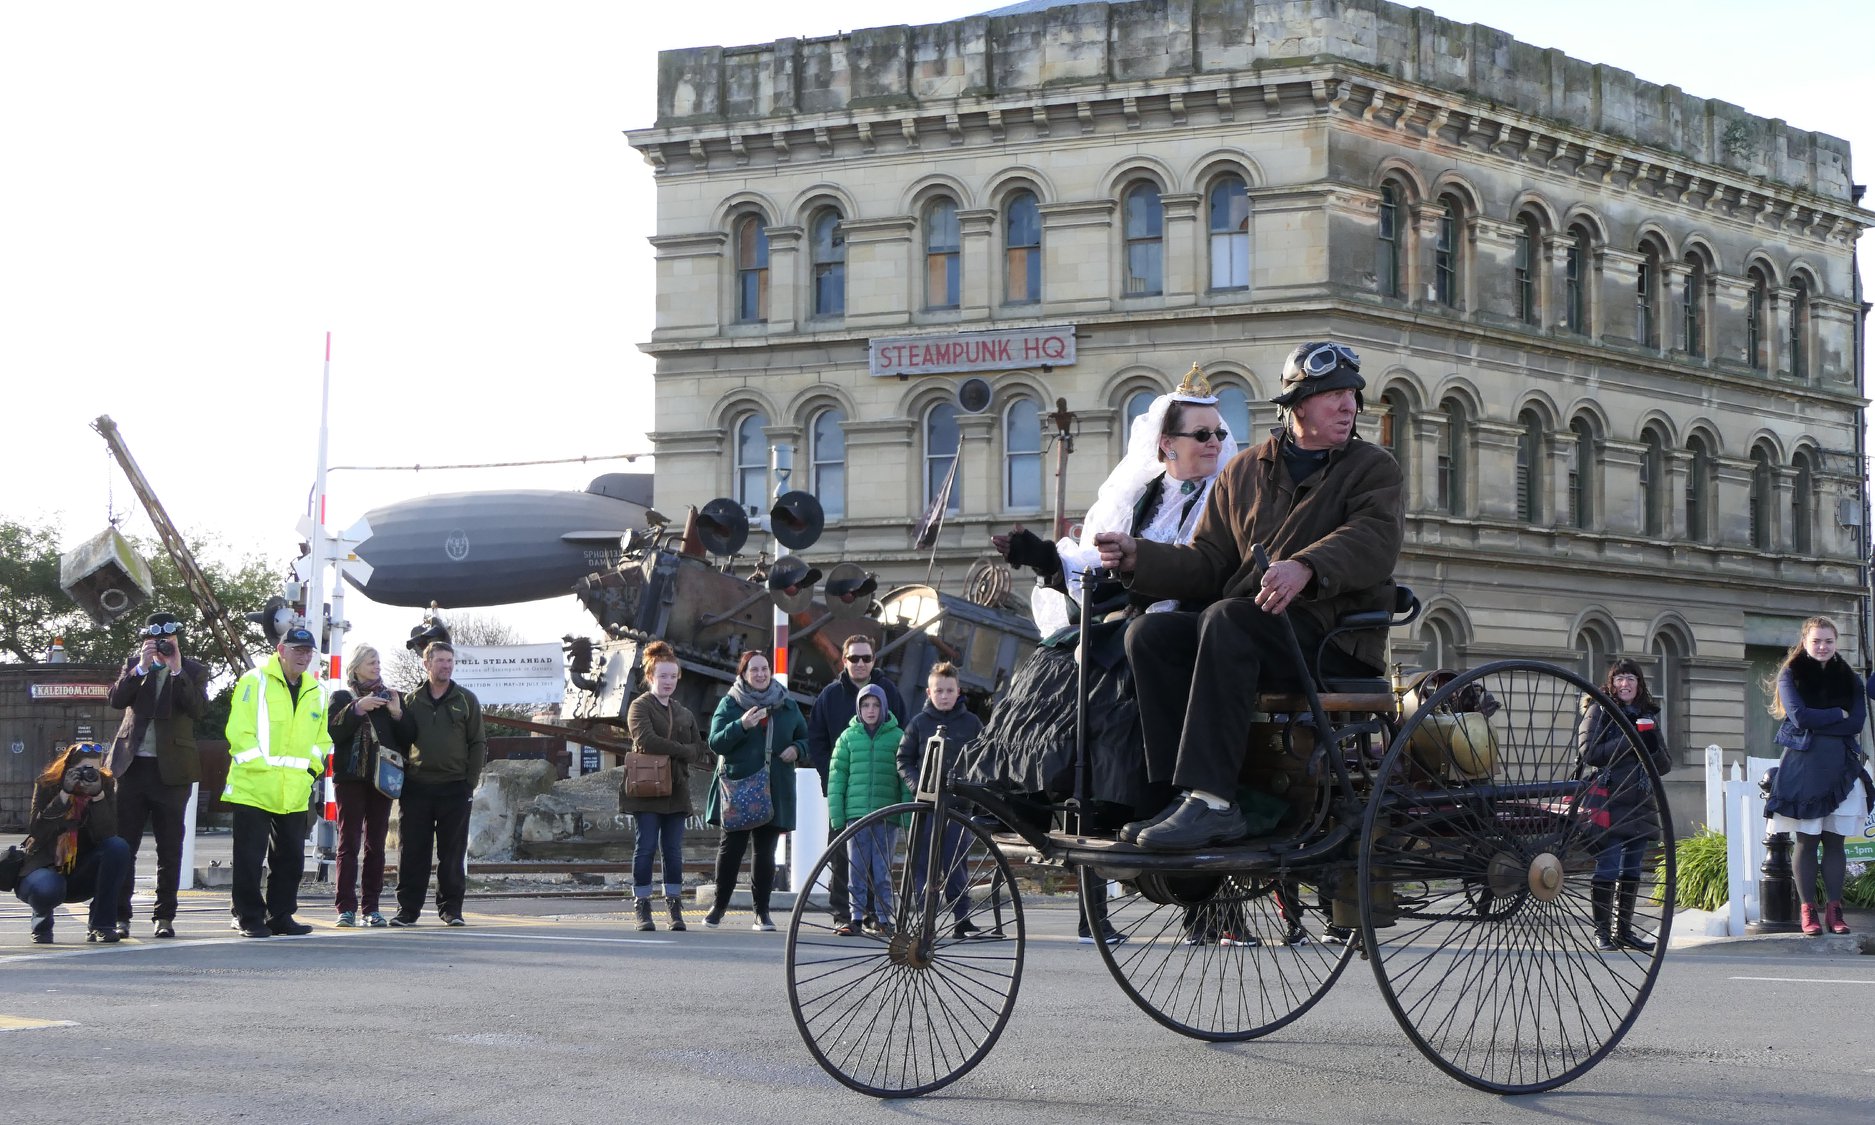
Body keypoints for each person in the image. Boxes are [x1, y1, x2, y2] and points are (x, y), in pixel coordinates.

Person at [1096, 341, 1405, 850]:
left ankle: (1213, 801)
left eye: (1352, 394)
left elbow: (1373, 540)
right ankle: (1177, 794)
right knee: (1150, 633)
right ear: (1297, 404)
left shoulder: (1373, 468)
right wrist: (1140, 556)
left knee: (1226, 619)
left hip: (1328, 636)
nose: (1347, 405)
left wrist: (1306, 567)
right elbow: (1209, 563)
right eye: (1332, 395)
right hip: (1251, 629)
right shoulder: (1245, 471)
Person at [977, 364, 1239, 831]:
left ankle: (1108, 799)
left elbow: (1210, 567)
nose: (1215, 443)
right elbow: (1101, 569)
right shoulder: (1147, 496)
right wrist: (1045, 559)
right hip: (1132, 610)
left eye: (1218, 432)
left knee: (1114, 670)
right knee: (1051, 659)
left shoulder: (1224, 496)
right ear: (1167, 443)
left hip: (1188, 615)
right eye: (1201, 435)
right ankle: (1024, 790)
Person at [1762, 616, 1874, 936]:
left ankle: (1834, 911)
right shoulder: (1791, 674)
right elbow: (1797, 716)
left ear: (1835, 643)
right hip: (1804, 765)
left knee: (1836, 842)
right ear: (1805, 642)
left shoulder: (1850, 678)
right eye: (1817, 641)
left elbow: (1856, 724)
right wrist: (1836, 714)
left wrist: (1822, 719)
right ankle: (1808, 910)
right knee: (1807, 840)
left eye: (1828, 641)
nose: (1822, 647)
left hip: (1842, 764)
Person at [106, 610, 208, 940]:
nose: (164, 645)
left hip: (172, 772)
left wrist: (177, 669)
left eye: (170, 640)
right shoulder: (135, 663)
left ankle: (164, 917)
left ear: (179, 639)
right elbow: (116, 699)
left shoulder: (192, 670)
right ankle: (120, 916)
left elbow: (197, 709)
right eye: (158, 640)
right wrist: (139, 668)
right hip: (132, 767)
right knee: (124, 846)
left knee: (170, 848)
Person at [223, 627, 331, 938]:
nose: (304, 655)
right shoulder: (254, 681)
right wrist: (262, 770)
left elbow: (321, 740)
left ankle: (281, 914)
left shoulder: (317, 691)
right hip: (254, 788)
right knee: (249, 858)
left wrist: (310, 771)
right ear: (281, 651)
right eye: (298, 649)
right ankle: (248, 917)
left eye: (308, 651)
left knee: (291, 859)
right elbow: (239, 733)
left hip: (295, 790)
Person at [806, 634, 907, 932]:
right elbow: (817, 740)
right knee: (843, 858)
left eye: (865, 658)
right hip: (847, 794)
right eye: (854, 658)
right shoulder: (830, 696)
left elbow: (903, 740)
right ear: (844, 660)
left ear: (874, 660)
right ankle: (845, 915)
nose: (860, 663)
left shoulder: (890, 691)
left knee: (880, 862)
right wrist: (832, 779)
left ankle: (878, 915)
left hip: (883, 795)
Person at [703, 650, 807, 932]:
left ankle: (762, 912)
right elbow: (715, 742)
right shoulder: (731, 703)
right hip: (739, 788)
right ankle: (719, 906)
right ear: (744, 674)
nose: (760, 674)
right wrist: (742, 725)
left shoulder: (786, 704)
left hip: (774, 787)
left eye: (764, 669)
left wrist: (797, 749)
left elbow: (805, 736)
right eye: (754, 670)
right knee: (731, 850)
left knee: (766, 853)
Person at [1576, 658, 1672, 952]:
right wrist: (1631, 740)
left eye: (1631, 679)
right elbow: (1588, 752)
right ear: (1612, 684)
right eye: (1620, 679)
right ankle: (1602, 931)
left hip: (1640, 800)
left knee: (1632, 870)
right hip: (1609, 798)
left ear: (1639, 685)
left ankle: (1624, 931)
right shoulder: (1600, 710)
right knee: (1608, 866)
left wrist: (1650, 745)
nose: (1625, 684)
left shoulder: (1648, 715)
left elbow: (1664, 765)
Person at [393, 640, 486, 928]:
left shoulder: (466, 700)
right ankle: (408, 910)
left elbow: (478, 742)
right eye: (441, 661)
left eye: (450, 661)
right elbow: (400, 741)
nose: (446, 666)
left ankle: (451, 909)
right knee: (412, 852)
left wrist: (469, 783)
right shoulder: (411, 700)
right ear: (427, 664)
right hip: (417, 787)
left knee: (452, 853)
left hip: (454, 788)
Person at [622, 640, 711, 932]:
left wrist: (688, 750)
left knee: (673, 851)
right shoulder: (639, 706)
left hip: (677, 790)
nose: (668, 681)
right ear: (650, 677)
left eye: (673, 676)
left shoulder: (683, 712)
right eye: (663, 675)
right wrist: (682, 750)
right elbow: (647, 740)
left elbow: (698, 747)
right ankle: (643, 906)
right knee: (645, 847)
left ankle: (674, 906)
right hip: (647, 788)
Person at [897, 662, 989, 939]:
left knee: (956, 863)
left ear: (958, 691)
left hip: (959, 808)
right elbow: (903, 760)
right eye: (939, 690)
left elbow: (982, 758)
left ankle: (962, 919)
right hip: (926, 809)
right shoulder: (918, 724)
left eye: (949, 690)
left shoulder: (972, 723)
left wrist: (972, 789)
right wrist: (918, 786)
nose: (945, 695)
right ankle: (927, 922)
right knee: (923, 865)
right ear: (929, 692)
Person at [326, 643, 413, 928]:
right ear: (356, 667)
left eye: (378, 662)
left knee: (376, 844)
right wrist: (357, 709)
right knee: (348, 843)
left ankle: (372, 907)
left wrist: (398, 713)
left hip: (382, 779)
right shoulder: (341, 697)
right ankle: (346, 908)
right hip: (350, 778)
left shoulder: (391, 697)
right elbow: (334, 733)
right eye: (371, 662)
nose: (376, 666)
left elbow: (407, 738)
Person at [15, 743, 130, 944]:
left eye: (93, 770)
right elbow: (37, 830)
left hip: (82, 871)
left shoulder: (104, 785)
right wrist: (64, 794)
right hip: (45, 867)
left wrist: (98, 797)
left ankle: (102, 925)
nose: (88, 775)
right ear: (68, 768)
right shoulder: (48, 784)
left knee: (118, 847)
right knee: (47, 887)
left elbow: (108, 834)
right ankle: (41, 921)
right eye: (82, 770)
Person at [829, 684, 909, 935]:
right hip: (856, 815)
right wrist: (837, 814)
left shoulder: (897, 737)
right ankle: (855, 917)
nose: (871, 710)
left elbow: (904, 780)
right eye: (865, 705)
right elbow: (837, 778)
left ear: (884, 707)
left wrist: (906, 816)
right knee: (857, 869)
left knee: (882, 870)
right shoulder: (848, 738)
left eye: (875, 705)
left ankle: (884, 918)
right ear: (859, 708)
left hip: (887, 816)